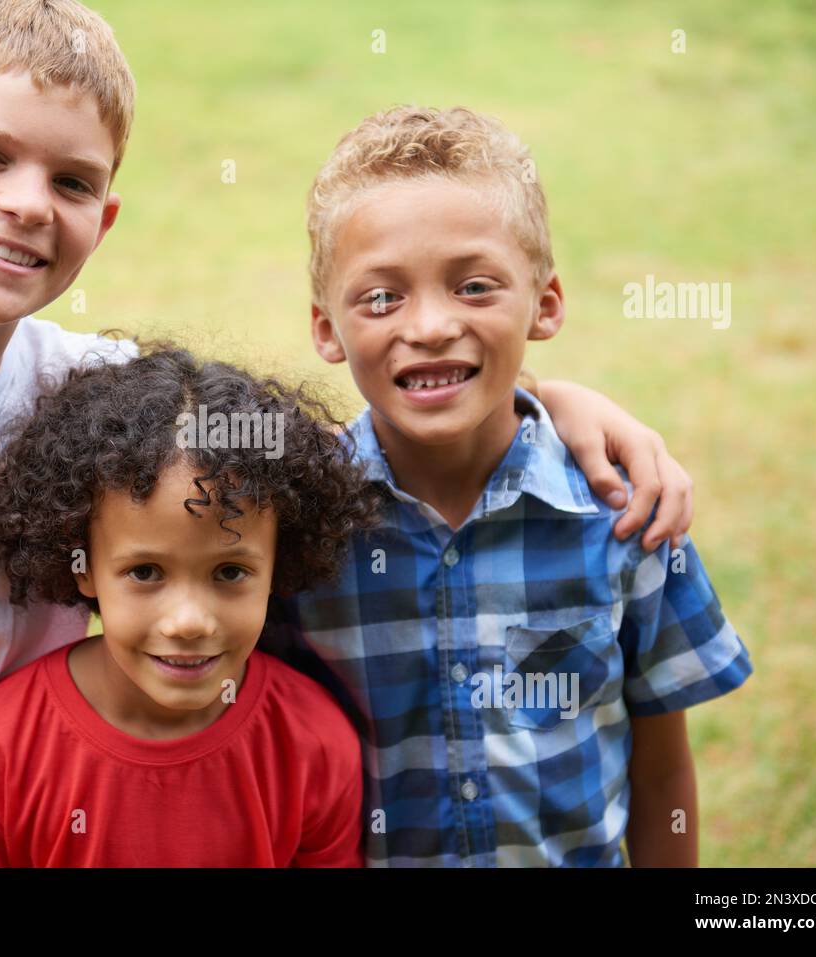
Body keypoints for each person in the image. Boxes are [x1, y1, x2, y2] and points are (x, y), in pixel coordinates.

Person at [0, 1, 699, 866]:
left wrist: (554, 408)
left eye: (70, 179)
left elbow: (332, 416)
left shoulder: (91, 402)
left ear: (102, 220)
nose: (25, 202)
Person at [261, 104, 753, 867]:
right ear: (327, 329)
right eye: (381, 296)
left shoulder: (623, 512)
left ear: (545, 304)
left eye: (475, 287)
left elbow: (662, 770)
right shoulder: (294, 531)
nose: (428, 325)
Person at [0, 347, 382, 866]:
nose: (187, 622)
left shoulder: (313, 743)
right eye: (145, 572)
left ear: (280, 561)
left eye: (229, 573)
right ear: (82, 564)